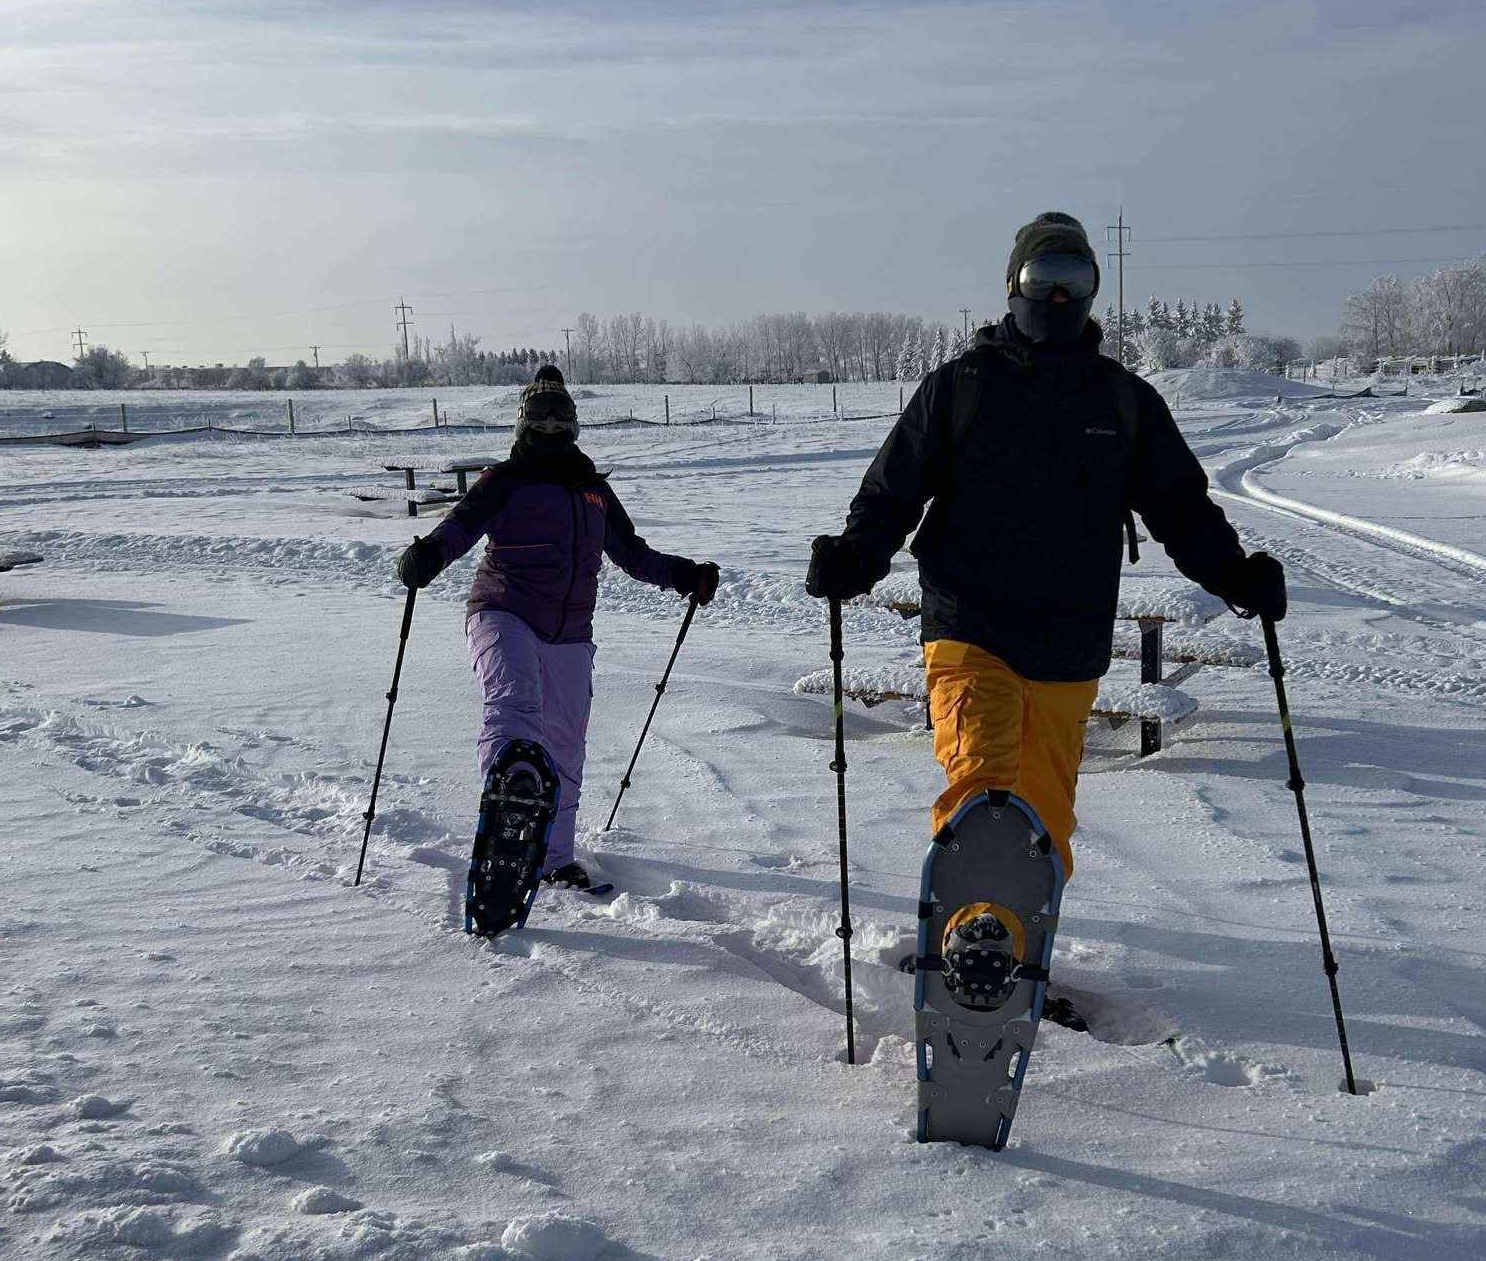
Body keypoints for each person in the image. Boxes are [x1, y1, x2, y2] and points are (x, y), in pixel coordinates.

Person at [805, 212, 1285, 994]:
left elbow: (1183, 510)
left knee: (1045, 819)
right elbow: (891, 491)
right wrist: (855, 557)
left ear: (1095, 290)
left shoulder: (1124, 402)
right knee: (983, 787)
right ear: (1012, 285)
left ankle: (1018, 960)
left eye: (1077, 281)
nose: (1058, 296)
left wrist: (1239, 578)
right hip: (968, 621)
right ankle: (974, 945)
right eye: (1042, 280)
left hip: (1069, 639)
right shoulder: (960, 387)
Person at [395, 364, 719, 892]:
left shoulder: (592, 491)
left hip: (570, 632)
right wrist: (428, 554)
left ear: (571, 429)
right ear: (523, 429)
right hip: (503, 612)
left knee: (566, 745)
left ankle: (552, 858)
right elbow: (460, 526)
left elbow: (631, 553)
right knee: (516, 702)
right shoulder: (503, 481)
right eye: (537, 428)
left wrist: (683, 573)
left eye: (558, 428)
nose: (548, 436)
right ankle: (512, 798)